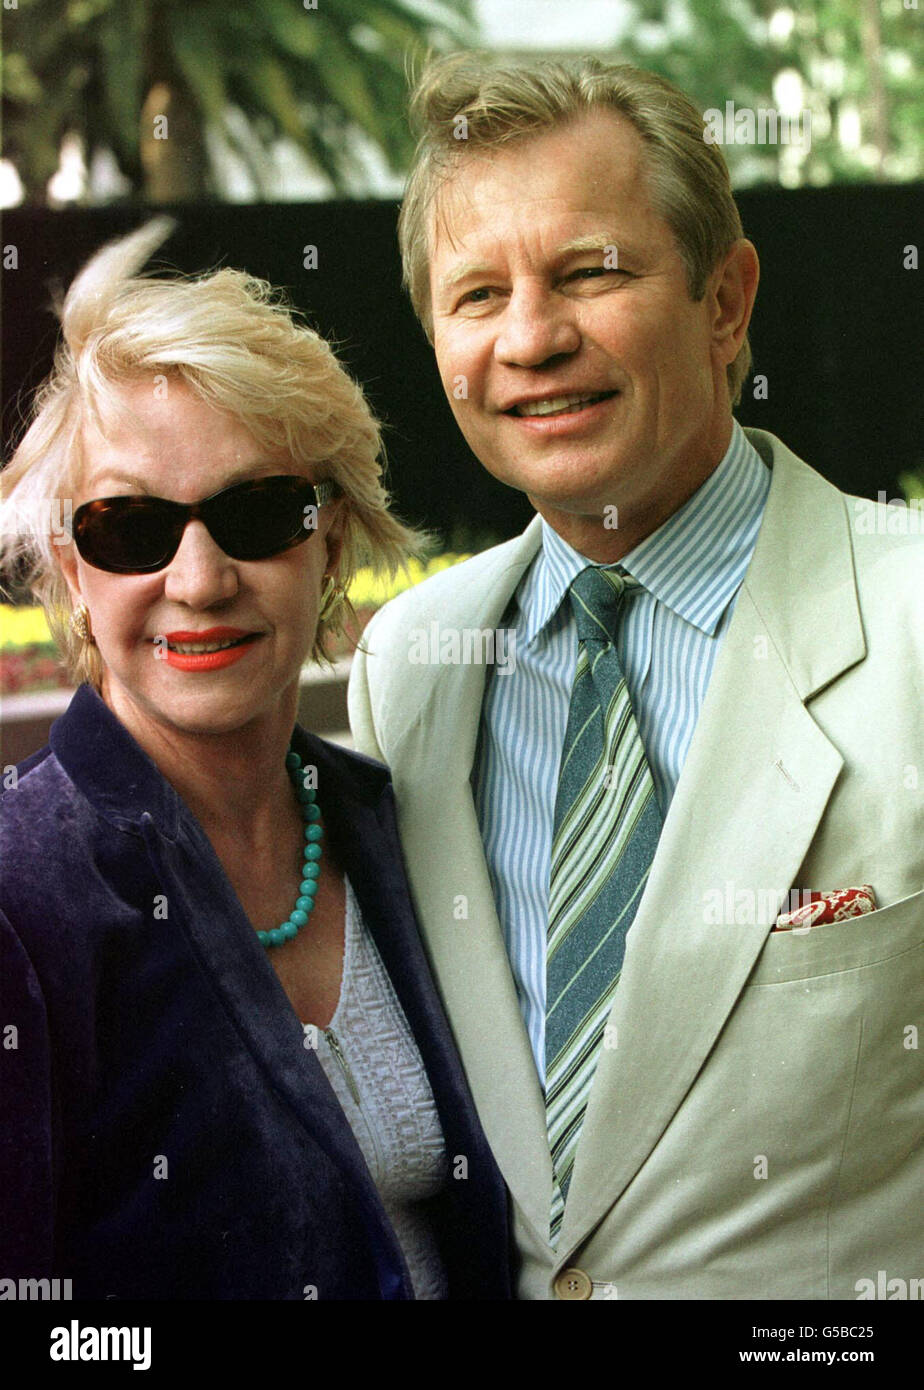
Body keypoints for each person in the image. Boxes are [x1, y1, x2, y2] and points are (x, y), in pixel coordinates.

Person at [348, 54, 924, 1300]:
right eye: (477, 295)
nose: (532, 339)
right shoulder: (410, 672)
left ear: (726, 302)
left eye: (590, 271)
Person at [0, 220, 510, 1301]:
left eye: (257, 511)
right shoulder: (23, 894)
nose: (199, 576)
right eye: (131, 526)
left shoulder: (402, 825)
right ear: (70, 568)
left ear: (330, 541)